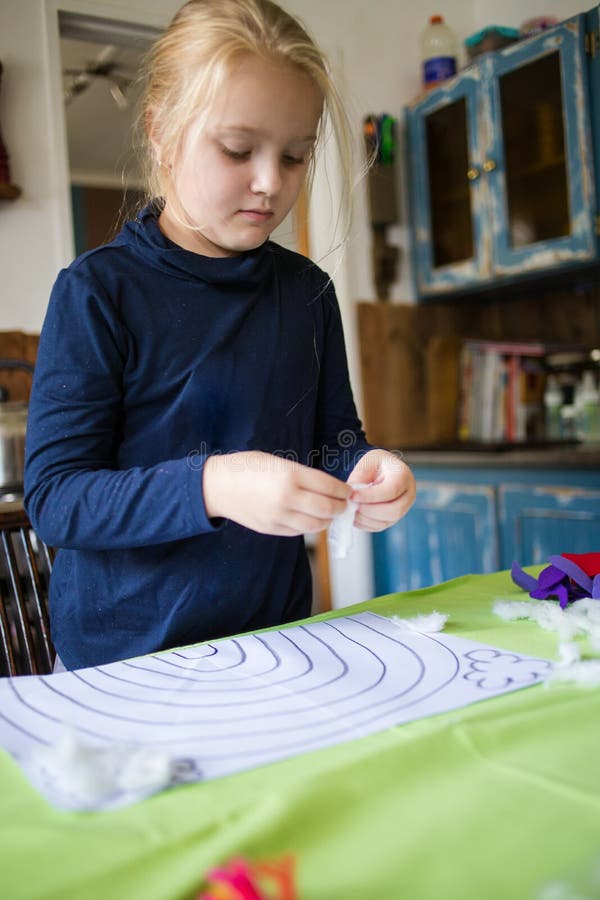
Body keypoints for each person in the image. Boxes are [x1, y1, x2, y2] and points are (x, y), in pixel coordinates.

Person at [24, 0, 416, 670]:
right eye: (239, 149)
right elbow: (58, 499)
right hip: (124, 660)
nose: (271, 182)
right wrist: (215, 485)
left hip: (278, 643)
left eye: (295, 156)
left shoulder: (307, 294)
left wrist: (368, 470)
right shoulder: (98, 292)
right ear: (163, 133)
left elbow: (333, 440)